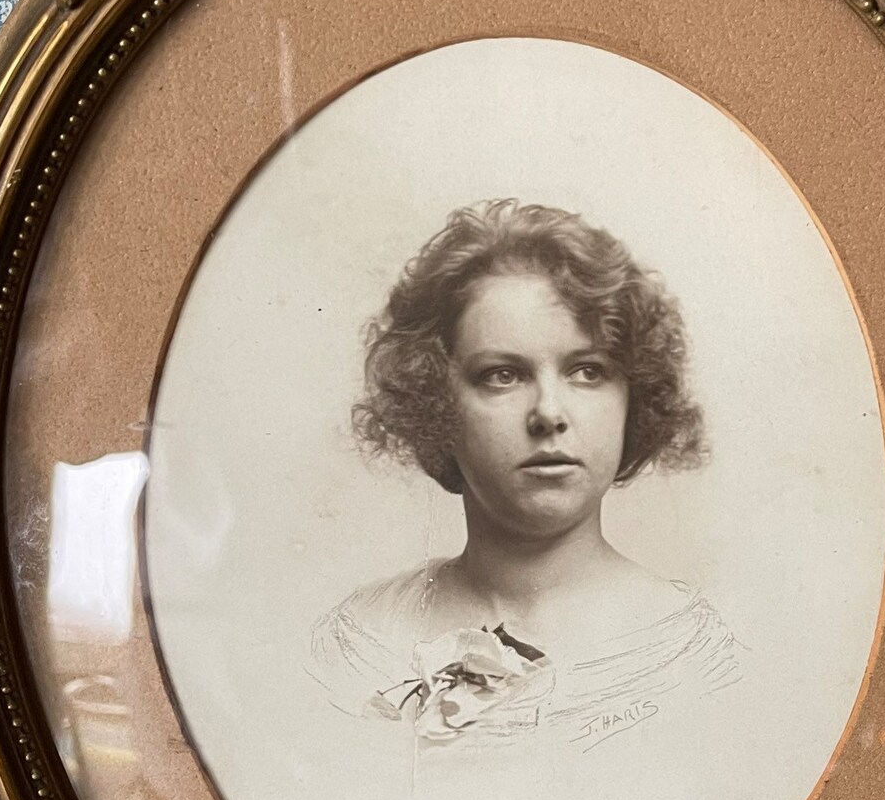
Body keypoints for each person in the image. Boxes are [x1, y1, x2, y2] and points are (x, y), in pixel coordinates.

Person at [309, 199, 741, 753]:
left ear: (633, 397)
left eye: (587, 371)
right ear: (435, 402)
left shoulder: (694, 658)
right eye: (503, 375)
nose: (549, 413)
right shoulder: (358, 645)